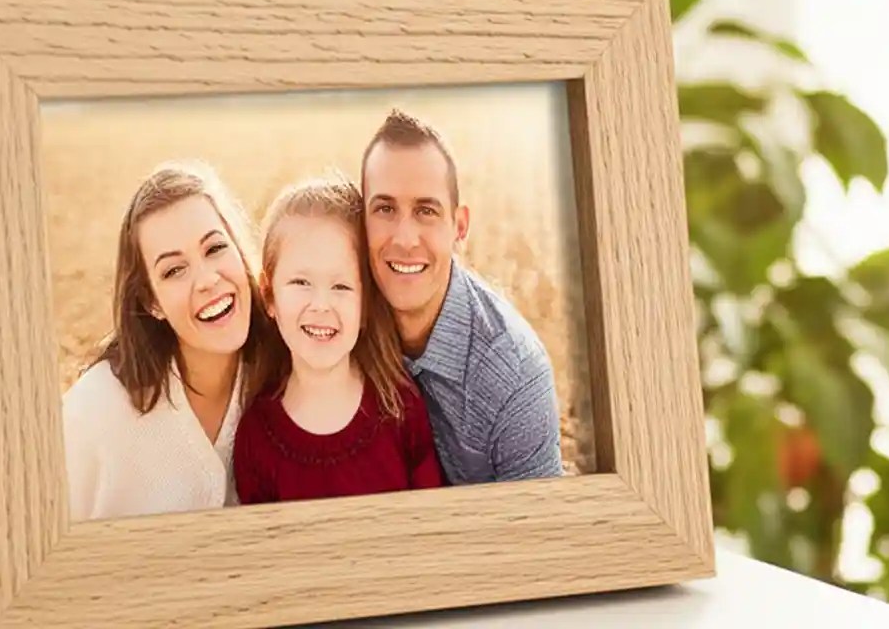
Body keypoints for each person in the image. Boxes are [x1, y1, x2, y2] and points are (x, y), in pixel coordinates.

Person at [359, 109, 565, 485]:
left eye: (426, 210)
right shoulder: (340, 316)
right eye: (385, 208)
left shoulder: (515, 376)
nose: (404, 239)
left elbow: (539, 530)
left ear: (460, 226)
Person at [62, 161, 272, 521]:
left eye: (215, 248)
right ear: (152, 302)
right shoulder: (92, 415)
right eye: (174, 270)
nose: (206, 280)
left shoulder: (286, 376)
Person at [232, 176, 445, 504]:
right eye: (301, 282)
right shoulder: (256, 436)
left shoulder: (400, 406)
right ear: (269, 295)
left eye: (341, 287)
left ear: (366, 306)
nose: (320, 305)